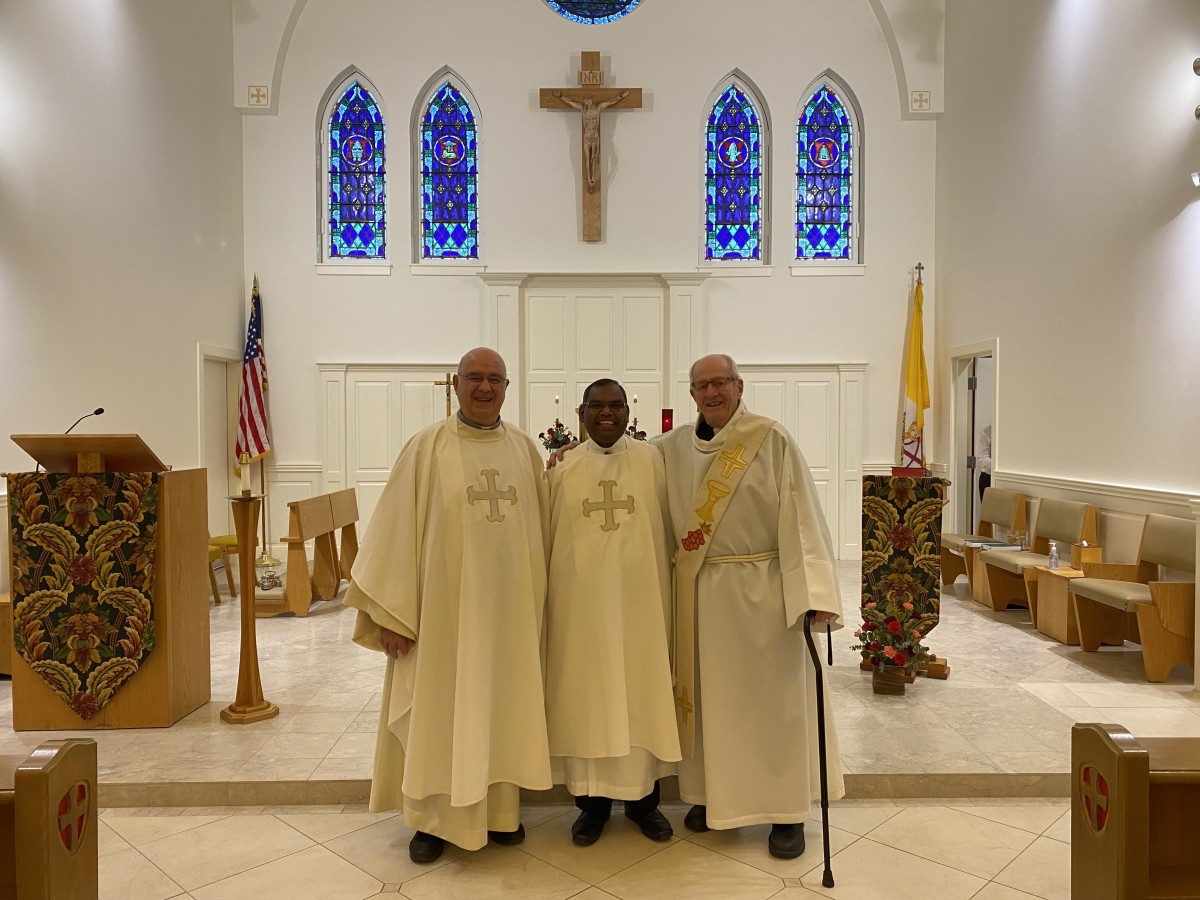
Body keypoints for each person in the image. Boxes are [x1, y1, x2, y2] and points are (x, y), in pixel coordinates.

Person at [343, 347, 552, 864]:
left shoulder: (526, 451)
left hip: (507, 618)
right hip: (440, 620)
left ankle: (500, 813)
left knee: (501, 708)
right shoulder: (426, 448)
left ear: (507, 387)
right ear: (455, 385)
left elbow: (546, 533)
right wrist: (392, 616)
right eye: (474, 378)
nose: (485, 388)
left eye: (495, 380)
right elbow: (393, 534)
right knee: (440, 710)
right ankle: (431, 821)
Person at [655, 353, 844, 860]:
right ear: (691, 394)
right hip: (699, 596)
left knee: (774, 706)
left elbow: (802, 518)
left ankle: (786, 812)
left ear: (740, 387)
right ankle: (715, 798)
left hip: (764, 594)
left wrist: (814, 597)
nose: (712, 393)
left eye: (721, 383)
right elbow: (625, 469)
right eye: (702, 386)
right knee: (713, 707)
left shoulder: (770, 438)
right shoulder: (670, 448)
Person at [545, 378, 680, 847]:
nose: (607, 414)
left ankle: (645, 804)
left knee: (641, 696)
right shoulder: (560, 469)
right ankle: (592, 807)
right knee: (589, 701)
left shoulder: (652, 460)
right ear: (581, 413)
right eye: (596, 406)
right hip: (580, 613)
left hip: (642, 608)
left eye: (615, 406)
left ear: (628, 412)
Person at [552, 90, 629, 192]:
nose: (585, 103)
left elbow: (611, 102)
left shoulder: (598, 108)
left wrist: (620, 96)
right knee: (587, 159)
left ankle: (593, 179)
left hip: (595, 137)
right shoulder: (582, 109)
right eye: (584, 101)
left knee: (594, 158)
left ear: (591, 100)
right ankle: (590, 179)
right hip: (587, 137)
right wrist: (561, 97)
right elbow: (570, 102)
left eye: (587, 101)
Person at [977, 424, 992, 501]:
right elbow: (982, 458)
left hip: (1006, 479)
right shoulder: (986, 432)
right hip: (988, 478)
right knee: (988, 512)